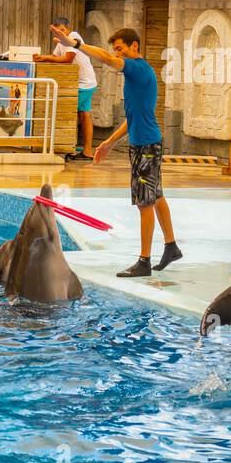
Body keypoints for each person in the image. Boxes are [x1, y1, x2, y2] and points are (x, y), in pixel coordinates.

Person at [51, 25, 180, 278]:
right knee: (156, 195)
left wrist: (76, 45)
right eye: (116, 50)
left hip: (146, 147)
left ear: (135, 46)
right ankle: (171, 246)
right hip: (147, 143)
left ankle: (144, 261)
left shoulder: (138, 67)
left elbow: (106, 59)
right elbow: (133, 118)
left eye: (120, 49)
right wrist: (109, 142)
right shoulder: (136, 75)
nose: (117, 55)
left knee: (145, 202)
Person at [35, 16, 97, 160]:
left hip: (85, 82)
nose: (60, 33)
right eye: (57, 31)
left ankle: (72, 147)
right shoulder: (61, 43)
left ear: (68, 29)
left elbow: (67, 59)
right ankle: (85, 150)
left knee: (70, 112)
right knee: (84, 114)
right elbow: (55, 58)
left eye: (62, 30)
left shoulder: (73, 36)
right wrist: (42, 58)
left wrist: (46, 58)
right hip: (80, 82)